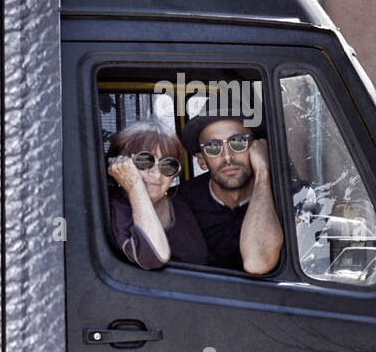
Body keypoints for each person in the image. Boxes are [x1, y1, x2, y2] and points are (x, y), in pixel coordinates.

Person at [180, 109, 283, 275]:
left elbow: (258, 262)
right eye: (213, 147)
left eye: (238, 142)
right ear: (202, 161)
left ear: (258, 149)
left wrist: (262, 171)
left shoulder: (286, 197)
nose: (227, 157)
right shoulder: (182, 203)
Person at [106, 121, 208, 269]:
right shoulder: (113, 207)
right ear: (122, 164)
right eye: (145, 161)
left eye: (168, 165)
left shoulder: (180, 203)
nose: (157, 174)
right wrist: (135, 185)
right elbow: (154, 257)